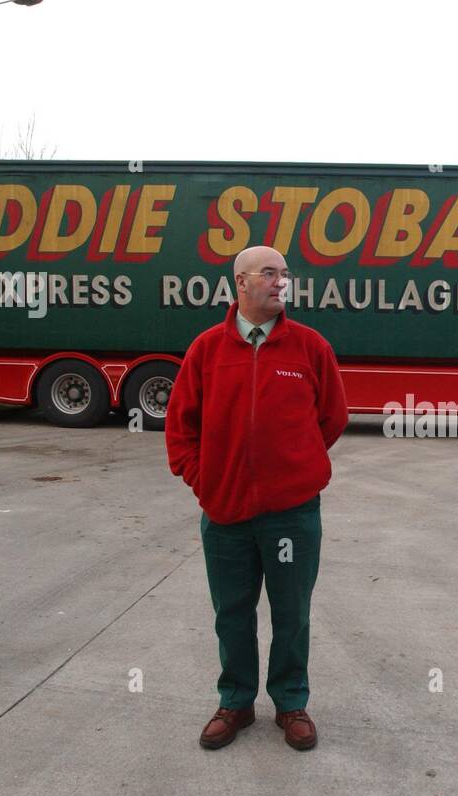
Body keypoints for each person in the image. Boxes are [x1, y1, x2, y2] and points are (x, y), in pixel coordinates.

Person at [165, 245, 348, 751]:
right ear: (240, 283)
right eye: (269, 273)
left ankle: (291, 703)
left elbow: (332, 418)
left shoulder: (309, 347)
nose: (280, 282)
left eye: (285, 274)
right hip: (224, 513)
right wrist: (203, 478)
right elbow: (181, 427)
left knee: (292, 611)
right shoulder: (207, 349)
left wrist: (297, 468)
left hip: (291, 515)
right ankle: (236, 702)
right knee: (232, 612)